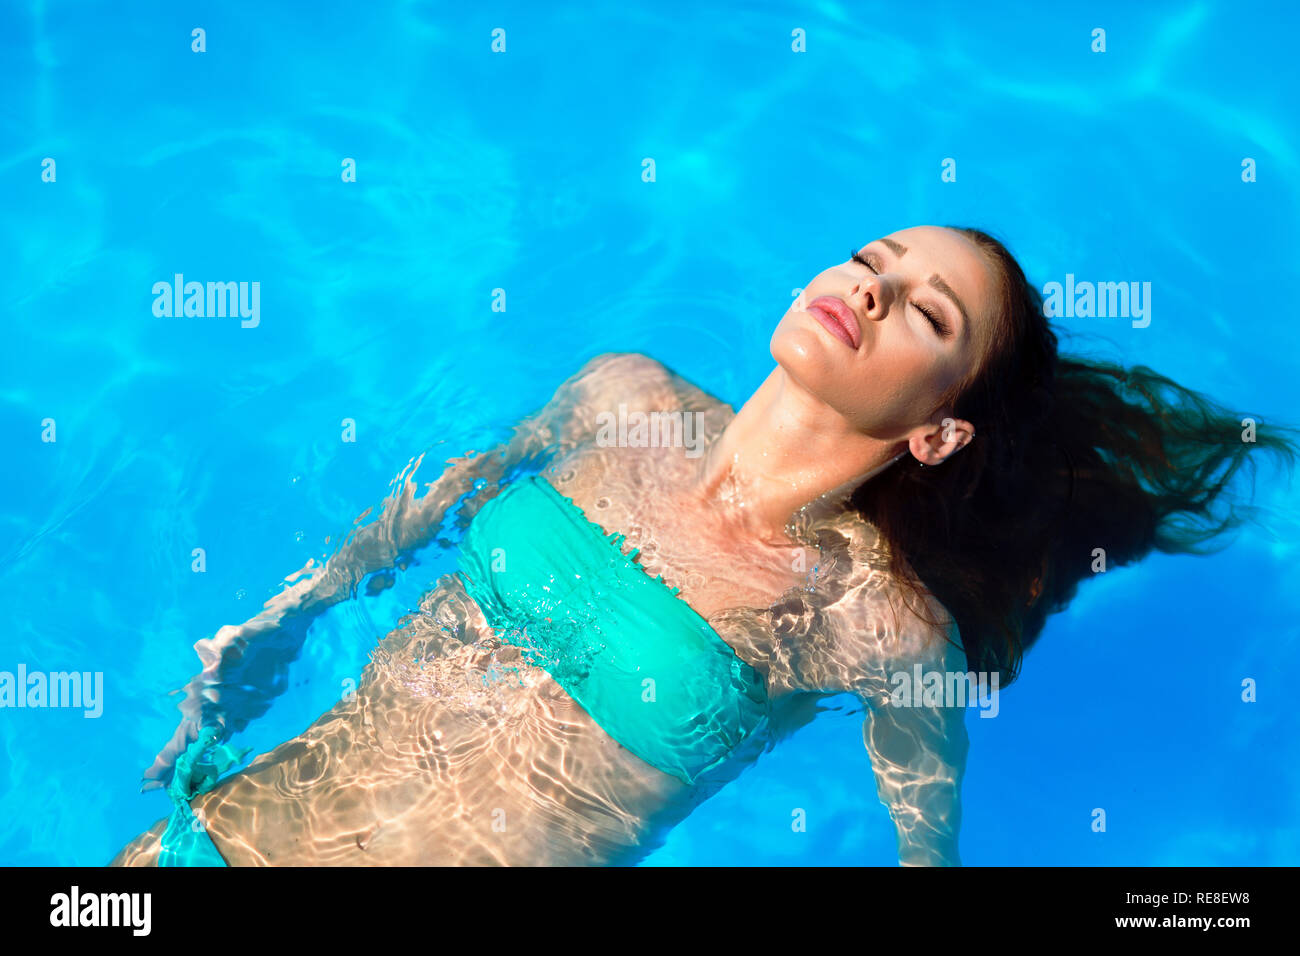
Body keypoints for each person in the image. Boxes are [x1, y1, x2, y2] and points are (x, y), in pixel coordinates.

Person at [110, 225, 1296, 867]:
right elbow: (414, 518)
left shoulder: (877, 623)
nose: (869, 290)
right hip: (224, 833)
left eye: (926, 312)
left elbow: (923, 838)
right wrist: (278, 626)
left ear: (939, 431)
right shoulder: (614, 395)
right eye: (872, 262)